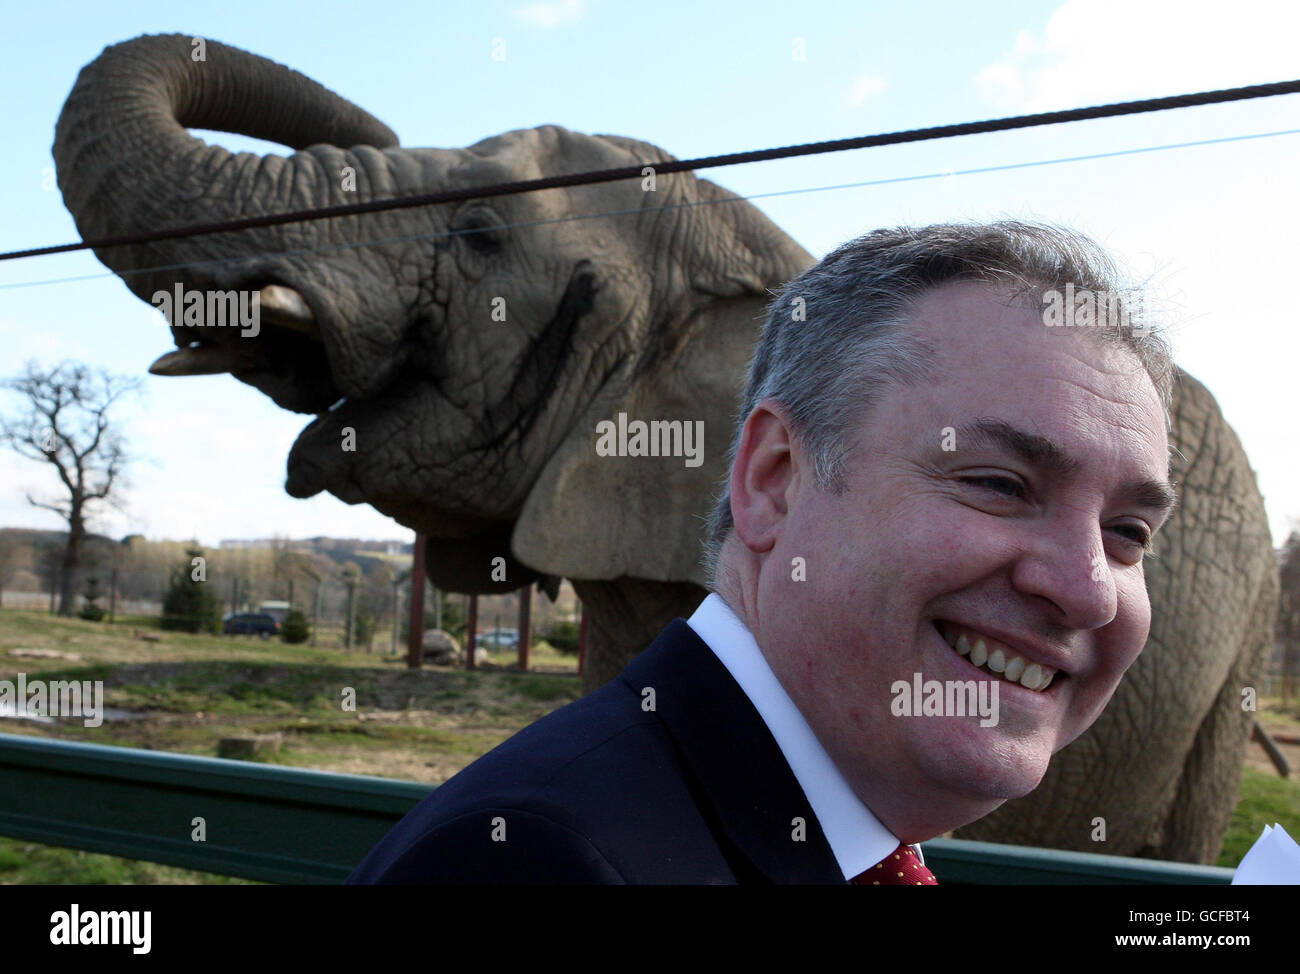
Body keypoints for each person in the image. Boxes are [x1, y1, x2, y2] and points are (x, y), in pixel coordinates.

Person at [346, 221, 1177, 884]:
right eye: (1000, 484)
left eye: (1129, 533)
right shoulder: (533, 863)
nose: (1088, 590)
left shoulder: (849, 847)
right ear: (775, 481)